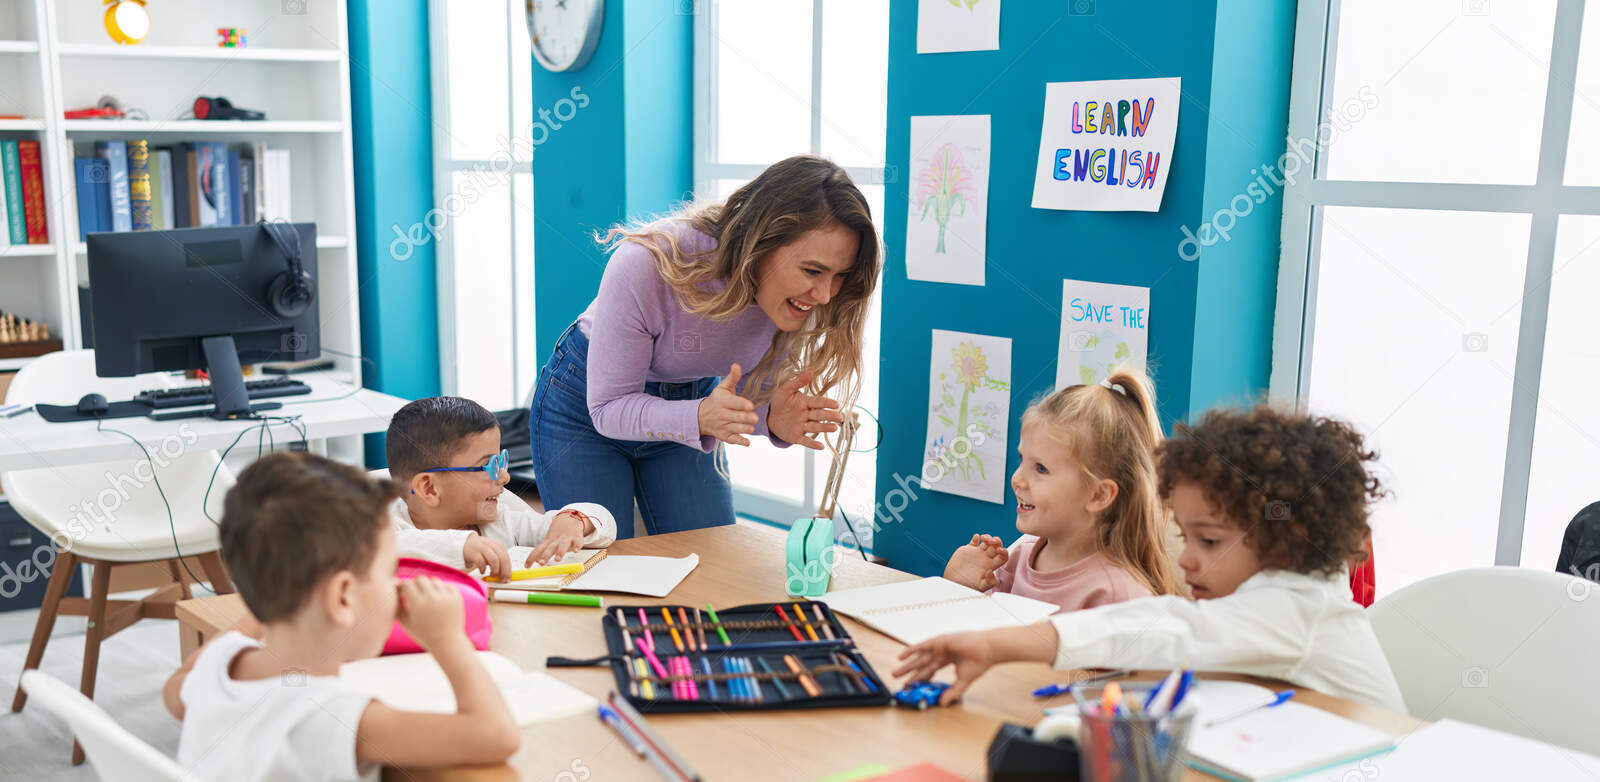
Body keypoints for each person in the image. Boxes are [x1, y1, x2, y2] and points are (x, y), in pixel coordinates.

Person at [162, 453, 591, 782]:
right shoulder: (334, 716)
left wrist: (272, 593)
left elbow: (176, 688)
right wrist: (446, 639)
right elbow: (494, 735)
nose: (397, 588)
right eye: (389, 576)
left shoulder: (213, 673)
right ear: (344, 597)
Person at [896, 404, 1405, 711]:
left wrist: (997, 645)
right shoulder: (1262, 609)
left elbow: (1162, 626)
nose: (1184, 561)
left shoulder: (1300, 609)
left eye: (1207, 541)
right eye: (1185, 535)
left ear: (1286, 541)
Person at [529, 155, 881, 536]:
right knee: (600, 562)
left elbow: (743, 398)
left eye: (839, 276)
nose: (826, 295)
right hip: (584, 410)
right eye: (813, 271)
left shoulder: (794, 300)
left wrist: (772, 419)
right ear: (759, 245)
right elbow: (608, 408)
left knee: (709, 559)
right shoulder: (644, 264)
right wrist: (699, 417)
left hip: (692, 403)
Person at [944, 367, 1181, 610]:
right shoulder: (1016, 559)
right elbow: (976, 637)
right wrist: (958, 587)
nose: (1017, 479)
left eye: (1041, 469)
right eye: (1022, 460)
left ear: (1099, 495)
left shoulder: (1120, 597)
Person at [386, 395, 614, 582]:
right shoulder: (381, 530)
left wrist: (574, 520)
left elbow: (604, 523)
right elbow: (387, 548)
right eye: (489, 466)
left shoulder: (500, 522)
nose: (505, 477)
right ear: (430, 488)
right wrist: (463, 545)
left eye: (501, 460)